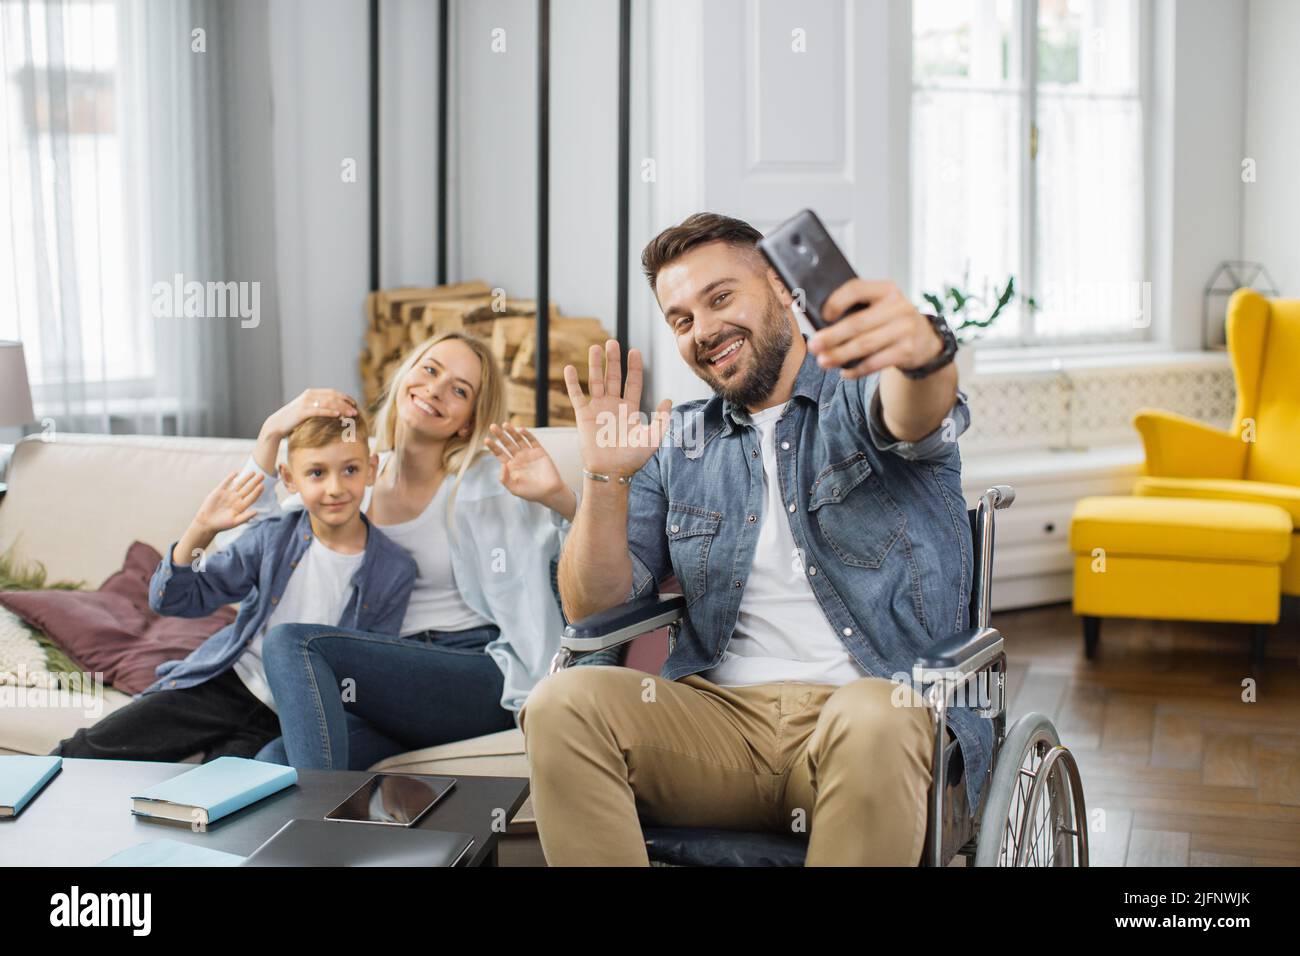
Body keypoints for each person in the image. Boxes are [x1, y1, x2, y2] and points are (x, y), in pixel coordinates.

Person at [520, 212, 989, 866]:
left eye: (720, 298)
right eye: (681, 320)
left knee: (878, 713)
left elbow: (918, 409)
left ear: (780, 284)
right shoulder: (677, 442)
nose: (704, 330)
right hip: (719, 730)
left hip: (865, 718)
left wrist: (922, 354)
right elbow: (593, 611)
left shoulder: (859, 393)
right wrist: (603, 479)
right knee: (560, 704)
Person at [248, 330, 577, 770]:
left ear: (467, 421)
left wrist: (559, 498)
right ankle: (326, 829)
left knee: (292, 643)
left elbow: (581, 558)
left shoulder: (486, 481)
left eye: (459, 390)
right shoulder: (352, 476)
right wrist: (272, 432)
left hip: (475, 672)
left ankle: (315, 830)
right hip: (392, 677)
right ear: (405, 375)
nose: (436, 390)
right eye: (430, 370)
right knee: (273, 762)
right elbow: (259, 538)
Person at [52, 410, 416, 762]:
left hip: (287, 716)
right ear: (290, 479)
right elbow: (174, 600)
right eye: (317, 473)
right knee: (86, 750)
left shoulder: (395, 570)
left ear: (371, 469)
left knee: (224, 805)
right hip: (225, 684)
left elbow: (368, 669)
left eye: (350, 470)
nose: (335, 488)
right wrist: (202, 529)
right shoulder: (270, 539)